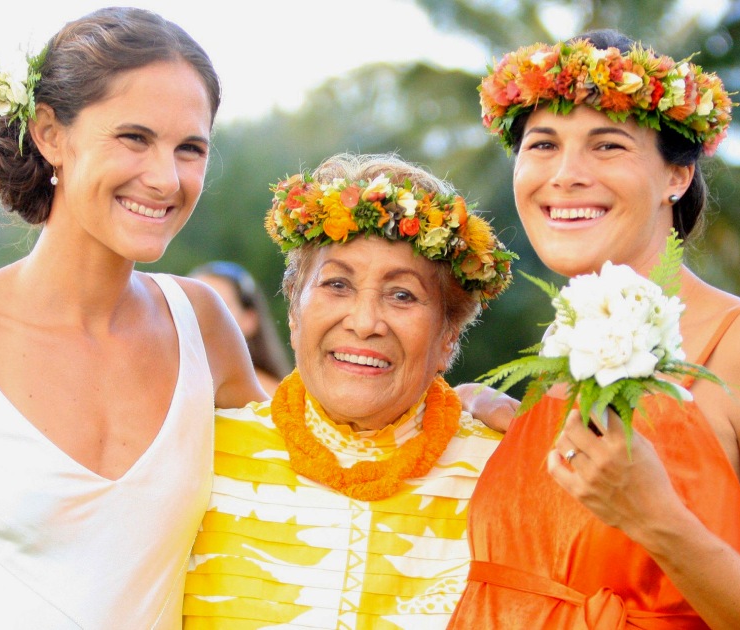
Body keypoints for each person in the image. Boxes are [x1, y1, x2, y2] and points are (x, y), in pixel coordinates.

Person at [0, 8, 264, 628]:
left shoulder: (201, 323)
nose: (165, 177)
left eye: (190, 148)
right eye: (134, 138)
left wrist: (461, 413)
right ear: (50, 134)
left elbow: (316, 472)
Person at [447, 32, 740, 629]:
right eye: (542, 144)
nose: (566, 175)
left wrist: (658, 521)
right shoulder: (559, 361)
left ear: (677, 176)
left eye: (606, 145)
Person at [182, 153, 515, 628]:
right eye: (337, 284)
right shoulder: (196, 452)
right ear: (294, 311)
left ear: (448, 337)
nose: (363, 323)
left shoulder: (506, 477)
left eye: (402, 295)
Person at [190, 260, 293, 393]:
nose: (198, 316)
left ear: (249, 320)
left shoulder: (275, 400)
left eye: (217, 307)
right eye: (189, 304)